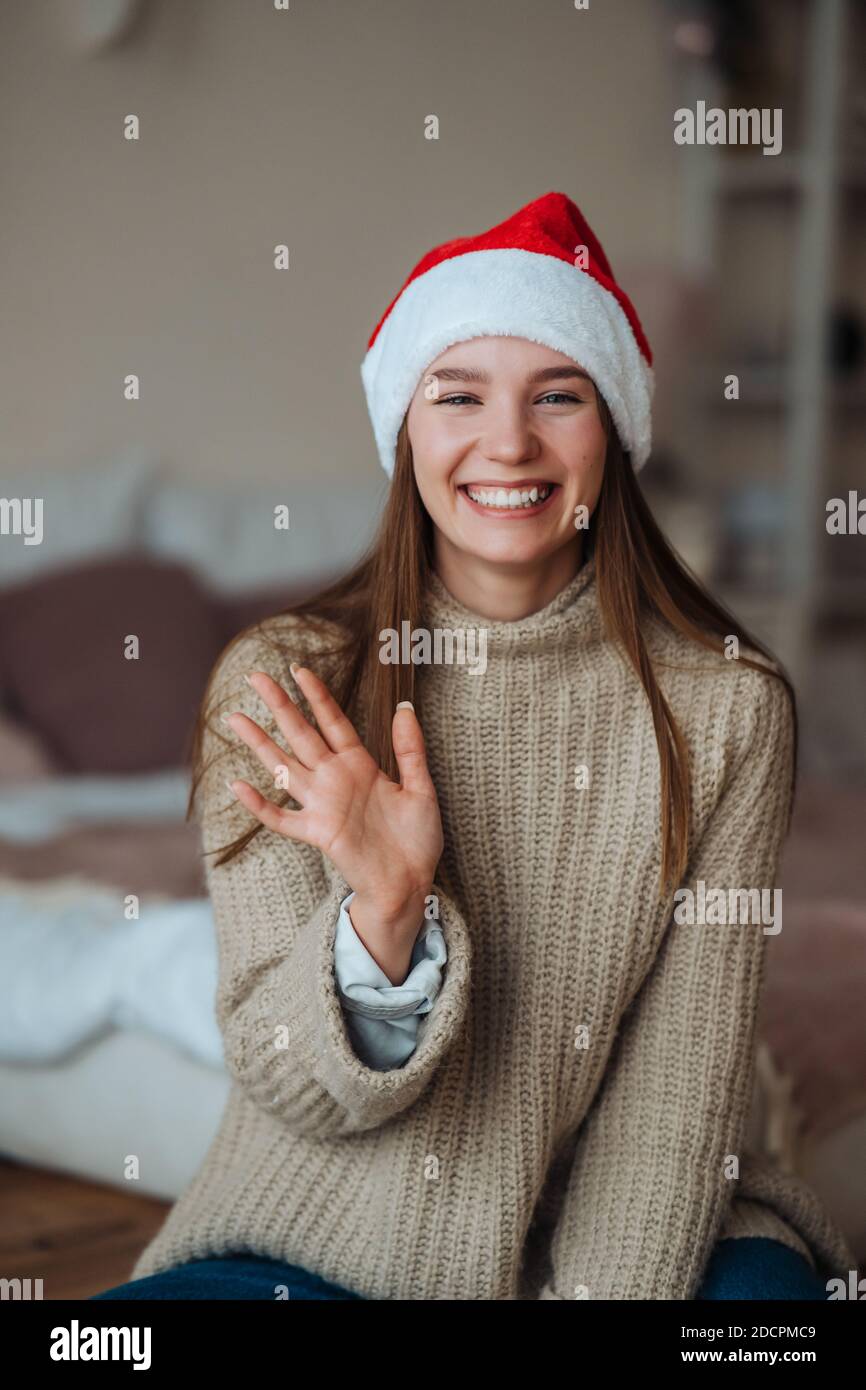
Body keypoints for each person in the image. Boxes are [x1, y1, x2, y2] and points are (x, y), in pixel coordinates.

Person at [93, 192, 854, 1301]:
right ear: (407, 427)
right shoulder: (278, 683)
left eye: (559, 395)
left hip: (641, 1223)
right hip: (327, 1228)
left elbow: (676, 1091)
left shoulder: (727, 706)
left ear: (615, 433)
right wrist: (383, 917)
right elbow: (283, 1082)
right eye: (458, 396)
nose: (508, 442)